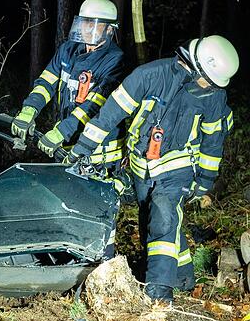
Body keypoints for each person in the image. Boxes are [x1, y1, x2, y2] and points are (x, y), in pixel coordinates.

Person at [67, 35, 238, 303]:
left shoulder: (214, 96)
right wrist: (83, 147)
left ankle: (159, 292)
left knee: (164, 214)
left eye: (213, 85)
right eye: (206, 81)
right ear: (194, 66)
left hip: (179, 166)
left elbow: (213, 142)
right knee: (159, 221)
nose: (209, 88)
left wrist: (205, 180)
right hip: (140, 164)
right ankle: (183, 278)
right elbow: (111, 113)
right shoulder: (149, 76)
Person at [10, 0, 126, 256]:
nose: (88, 30)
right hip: (70, 143)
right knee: (69, 202)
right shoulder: (68, 50)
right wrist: (30, 110)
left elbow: (95, 105)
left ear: (109, 29)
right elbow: (46, 82)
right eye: (84, 23)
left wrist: (61, 131)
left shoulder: (116, 61)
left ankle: (102, 263)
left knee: (98, 208)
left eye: (95, 25)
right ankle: (68, 257)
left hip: (100, 150)